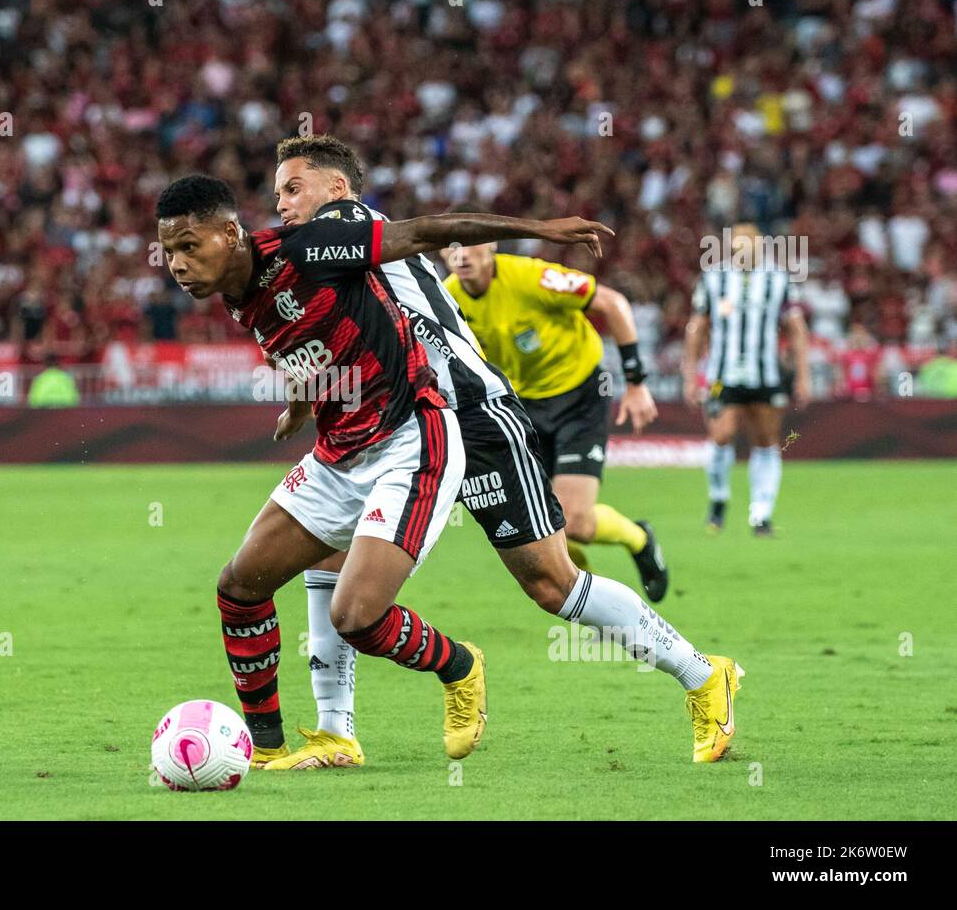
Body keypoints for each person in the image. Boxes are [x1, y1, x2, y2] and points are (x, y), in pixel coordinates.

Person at [262, 135, 741, 769]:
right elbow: (336, 331)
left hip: (472, 416)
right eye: (276, 195)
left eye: (294, 189)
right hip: (394, 426)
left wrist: (541, 229)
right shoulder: (322, 254)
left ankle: (703, 674)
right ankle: (335, 732)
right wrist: (306, 394)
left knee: (551, 582)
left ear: (337, 191)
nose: (283, 205)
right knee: (327, 545)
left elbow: (438, 227)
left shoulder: (347, 225)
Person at [440, 207, 668, 596]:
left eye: (471, 244)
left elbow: (612, 303)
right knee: (548, 523)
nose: (461, 255)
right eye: (450, 247)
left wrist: (635, 382)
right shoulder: (449, 300)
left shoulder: (531, 277)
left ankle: (639, 538)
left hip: (579, 394)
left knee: (575, 520)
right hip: (522, 405)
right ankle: (591, 600)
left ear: (491, 244)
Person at [682, 223, 812, 535]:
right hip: (720, 376)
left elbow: (797, 330)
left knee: (767, 440)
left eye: (749, 244)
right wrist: (690, 377)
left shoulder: (778, 280)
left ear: (760, 247)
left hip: (765, 374)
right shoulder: (713, 279)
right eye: (738, 244)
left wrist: (803, 376)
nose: (743, 250)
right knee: (721, 434)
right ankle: (718, 499)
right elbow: (696, 328)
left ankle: (761, 514)